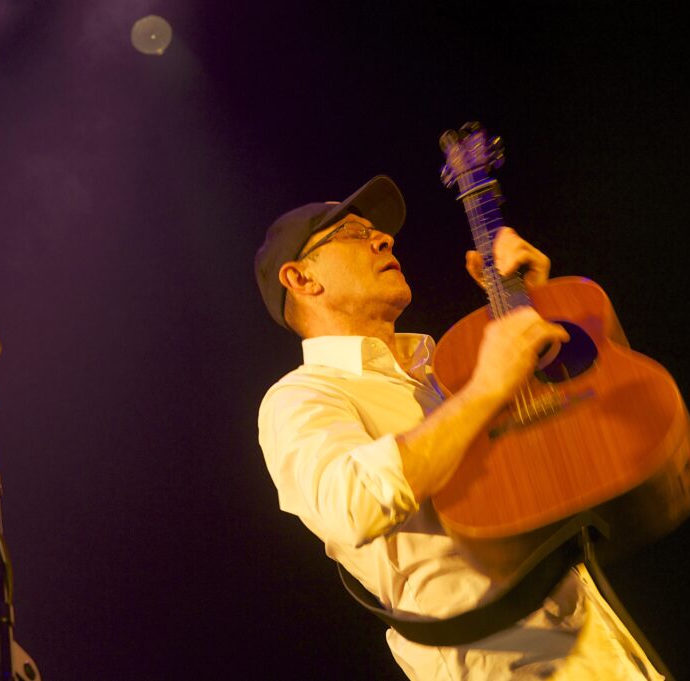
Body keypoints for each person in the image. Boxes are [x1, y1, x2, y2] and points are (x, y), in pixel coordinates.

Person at [254, 175, 663, 680]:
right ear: (300, 279)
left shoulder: (445, 373)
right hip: (500, 663)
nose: (383, 239)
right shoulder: (299, 397)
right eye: (354, 234)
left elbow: (593, 448)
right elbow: (351, 504)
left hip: (598, 638)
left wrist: (540, 304)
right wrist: (487, 388)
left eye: (378, 232)